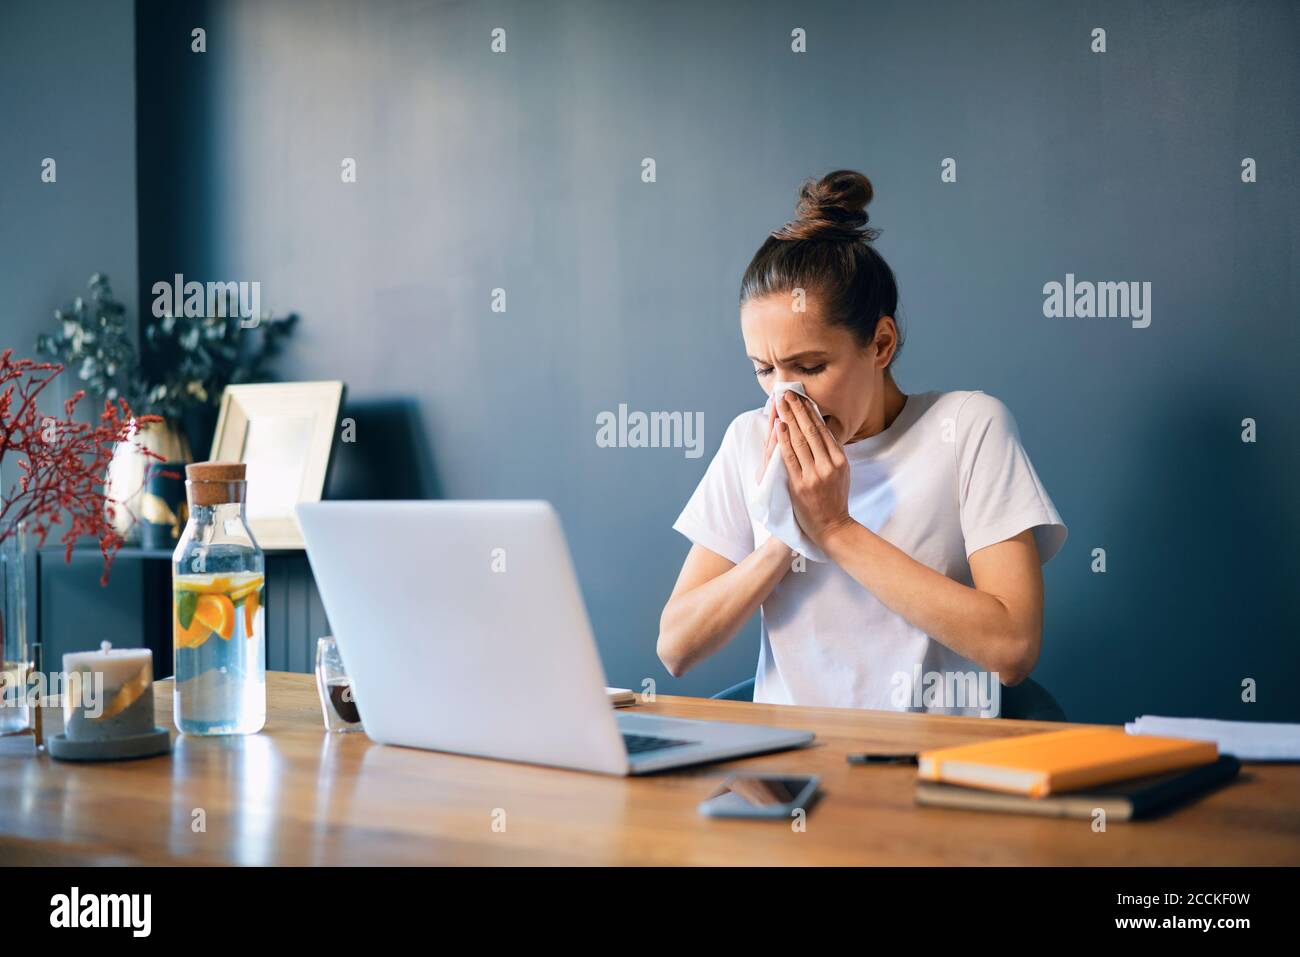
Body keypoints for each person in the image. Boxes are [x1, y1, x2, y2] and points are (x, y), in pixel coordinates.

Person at [659, 170, 1067, 714]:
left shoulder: (967, 427)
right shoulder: (749, 440)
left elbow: (1013, 648)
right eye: (764, 369)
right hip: (787, 766)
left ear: (880, 343)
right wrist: (786, 532)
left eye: (809, 366)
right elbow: (676, 648)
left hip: (932, 768)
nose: (785, 395)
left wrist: (835, 528)